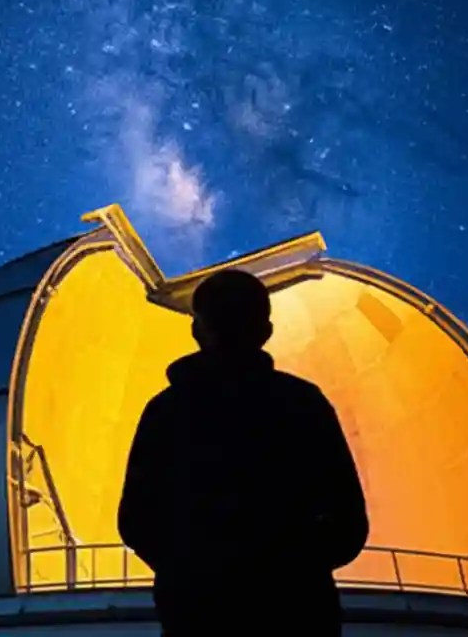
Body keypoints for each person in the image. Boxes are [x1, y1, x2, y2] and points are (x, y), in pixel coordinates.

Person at [118, 269, 369, 636]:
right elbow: (347, 521)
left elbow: (137, 519)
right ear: (265, 332)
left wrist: (189, 571)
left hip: (198, 616)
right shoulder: (304, 406)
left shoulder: (166, 411)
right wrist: (295, 570)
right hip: (297, 614)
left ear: (197, 331)